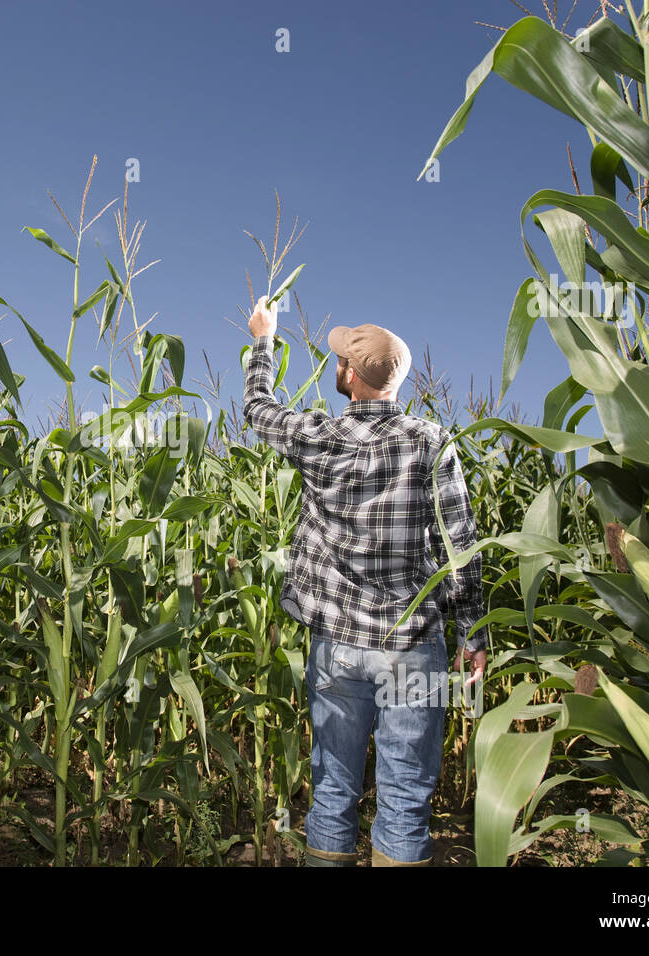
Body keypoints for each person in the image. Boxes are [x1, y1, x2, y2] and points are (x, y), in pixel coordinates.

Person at [242, 295, 486, 866]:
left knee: (332, 790)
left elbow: (257, 408)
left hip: (338, 651)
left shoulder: (319, 436)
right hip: (413, 647)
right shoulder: (431, 441)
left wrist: (263, 338)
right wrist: (473, 632)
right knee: (404, 798)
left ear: (350, 376)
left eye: (340, 362)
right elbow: (461, 544)